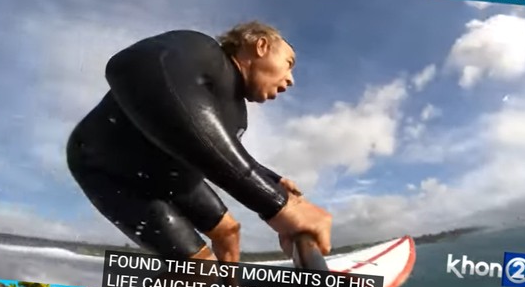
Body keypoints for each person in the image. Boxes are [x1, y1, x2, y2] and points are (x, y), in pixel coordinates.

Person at [66, 22, 332, 271]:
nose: (291, 80)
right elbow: (132, 65)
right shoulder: (201, 51)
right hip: (110, 167)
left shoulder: (238, 114)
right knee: (199, 271)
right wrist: (279, 206)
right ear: (261, 46)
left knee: (229, 232)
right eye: (288, 64)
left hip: (171, 172)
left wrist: (274, 180)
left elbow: (217, 152)